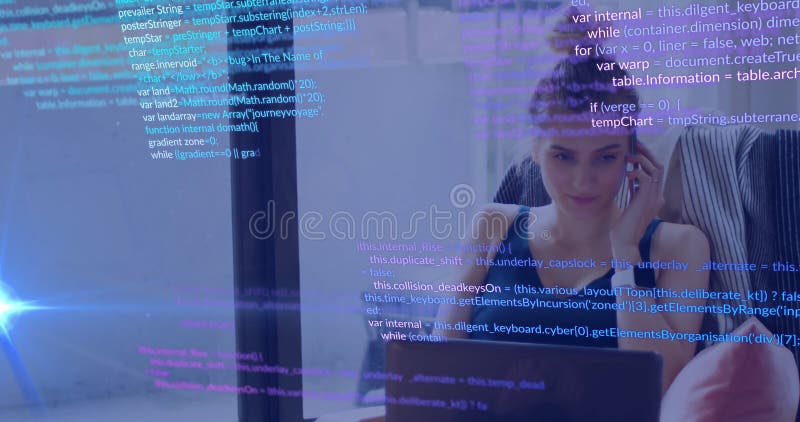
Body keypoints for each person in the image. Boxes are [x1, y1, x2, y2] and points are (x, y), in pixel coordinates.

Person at [433, 54, 710, 394]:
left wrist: (625, 256)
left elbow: (663, 386)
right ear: (536, 149)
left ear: (632, 155)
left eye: (605, 156)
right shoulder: (492, 225)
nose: (583, 181)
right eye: (563, 156)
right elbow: (438, 374)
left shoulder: (679, 246)